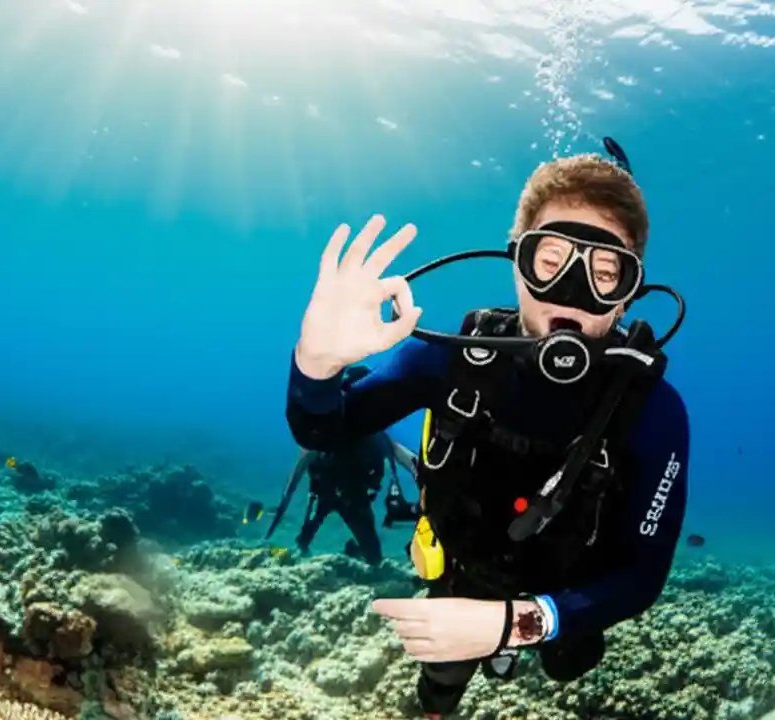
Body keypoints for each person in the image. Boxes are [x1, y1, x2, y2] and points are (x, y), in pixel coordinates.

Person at [284, 139, 690, 718]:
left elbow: (644, 576)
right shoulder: (454, 360)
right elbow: (321, 432)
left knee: (571, 660)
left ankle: (541, 636)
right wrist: (317, 365)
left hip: (566, 590)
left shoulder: (652, 409)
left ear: (627, 295)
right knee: (439, 682)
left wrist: (525, 622)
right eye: (550, 263)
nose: (572, 295)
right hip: (464, 572)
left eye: (605, 273)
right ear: (517, 266)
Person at [268, 365, 420, 565]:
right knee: (302, 544)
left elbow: (410, 461)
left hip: (354, 498)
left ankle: (351, 552)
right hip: (327, 494)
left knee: (373, 556)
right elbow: (411, 462)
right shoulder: (327, 433)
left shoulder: (376, 437)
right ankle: (304, 550)